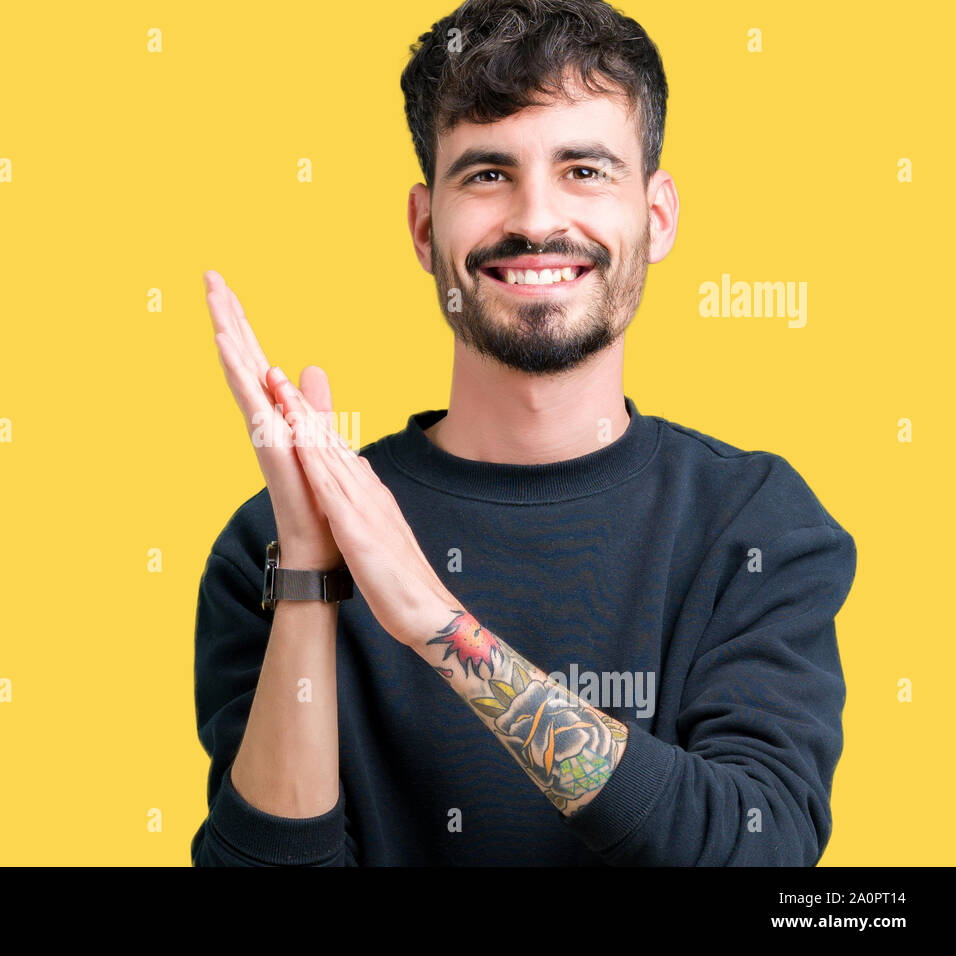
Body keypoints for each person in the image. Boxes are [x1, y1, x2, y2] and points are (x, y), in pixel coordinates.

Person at [192, 0, 855, 866]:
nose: (537, 220)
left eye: (584, 170)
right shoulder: (275, 546)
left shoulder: (754, 525)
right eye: (487, 174)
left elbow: (756, 851)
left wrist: (434, 620)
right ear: (426, 228)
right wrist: (312, 582)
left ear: (656, 218)